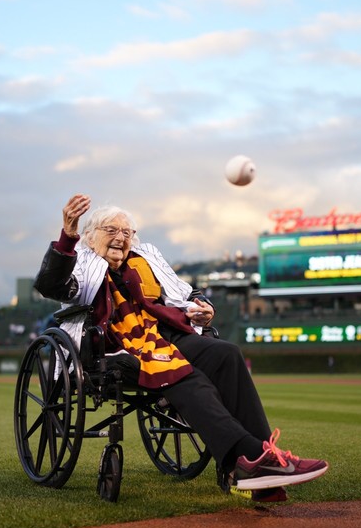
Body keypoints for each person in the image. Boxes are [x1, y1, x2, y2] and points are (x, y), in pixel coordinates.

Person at [33, 194, 328, 502]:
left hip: (165, 332)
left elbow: (186, 293)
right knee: (185, 376)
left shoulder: (145, 259)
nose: (121, 237)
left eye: (127, 232)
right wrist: (67, 235)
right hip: (115, 344)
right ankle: (260, 458)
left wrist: (204, 308)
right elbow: (50, 285)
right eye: (111, 230)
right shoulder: (80, 261)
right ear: (91, 236)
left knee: (226, 354)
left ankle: (263, 459)